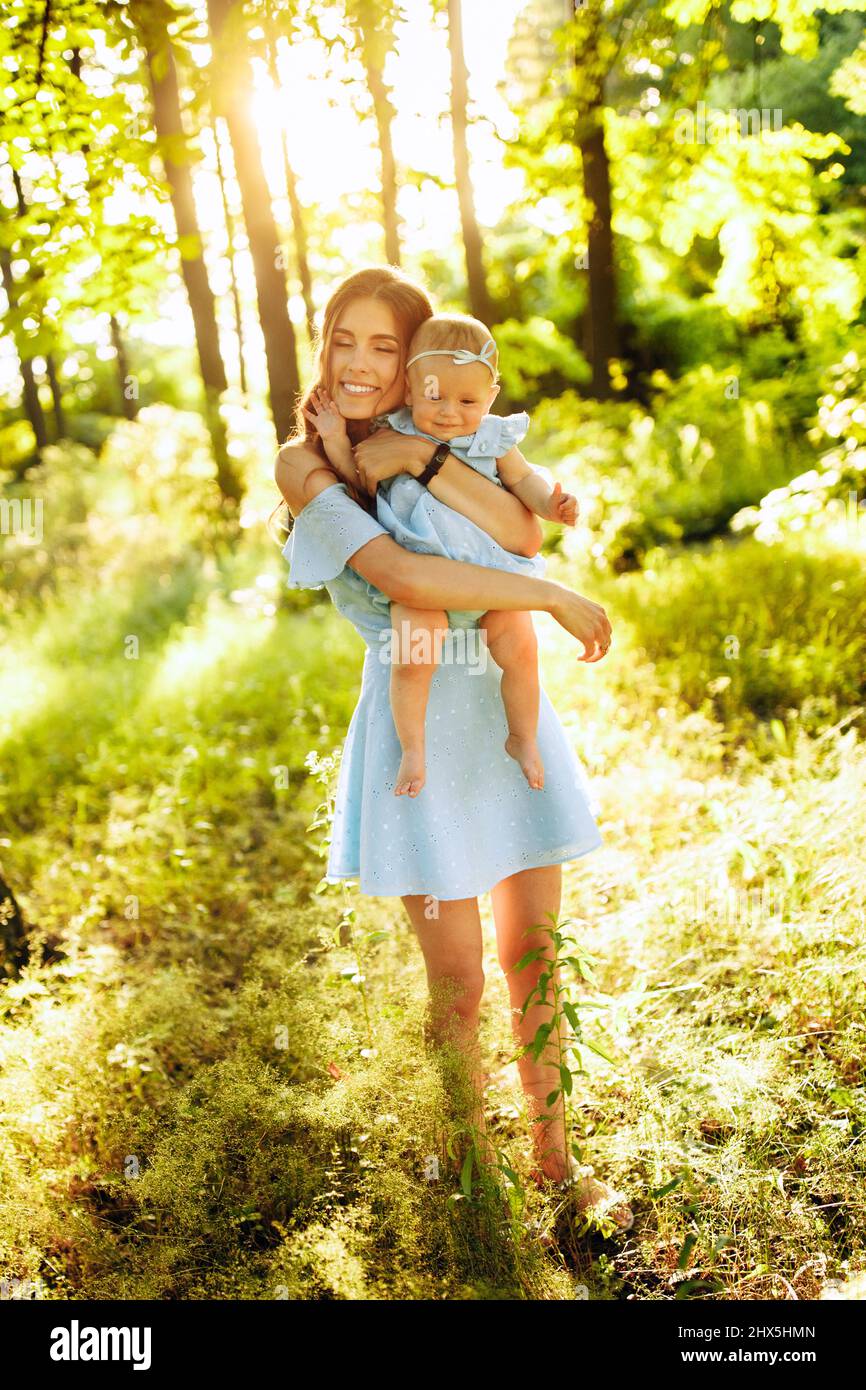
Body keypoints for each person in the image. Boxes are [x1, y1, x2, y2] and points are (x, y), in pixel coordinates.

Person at [273, 265, 633, 1231]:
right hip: (416, 719)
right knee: (461, 976)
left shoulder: (447, 442)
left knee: (534, 952)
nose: (359, 363)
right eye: (343, 340)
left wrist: (424, 461)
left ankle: (557, 1160)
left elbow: (523, 527)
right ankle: (469, 1164)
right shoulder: (302, 463)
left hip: (506, 711)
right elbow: (399, 572)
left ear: (417, 363)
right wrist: (551, 599)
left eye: (384, 347)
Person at [303, 312, 580, 799]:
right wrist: (333, 440)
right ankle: (413, 748)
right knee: (413, 655)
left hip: (492, 580)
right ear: (409, 390)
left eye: (467, 400)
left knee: (520, 649)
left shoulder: (493, 437)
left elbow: (524, 481)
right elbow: (357, 481)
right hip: (424, 578)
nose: (450, 411)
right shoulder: (393, 433)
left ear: (490, 398)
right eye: (434, 395)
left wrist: (551, 505)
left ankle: (523, 737)